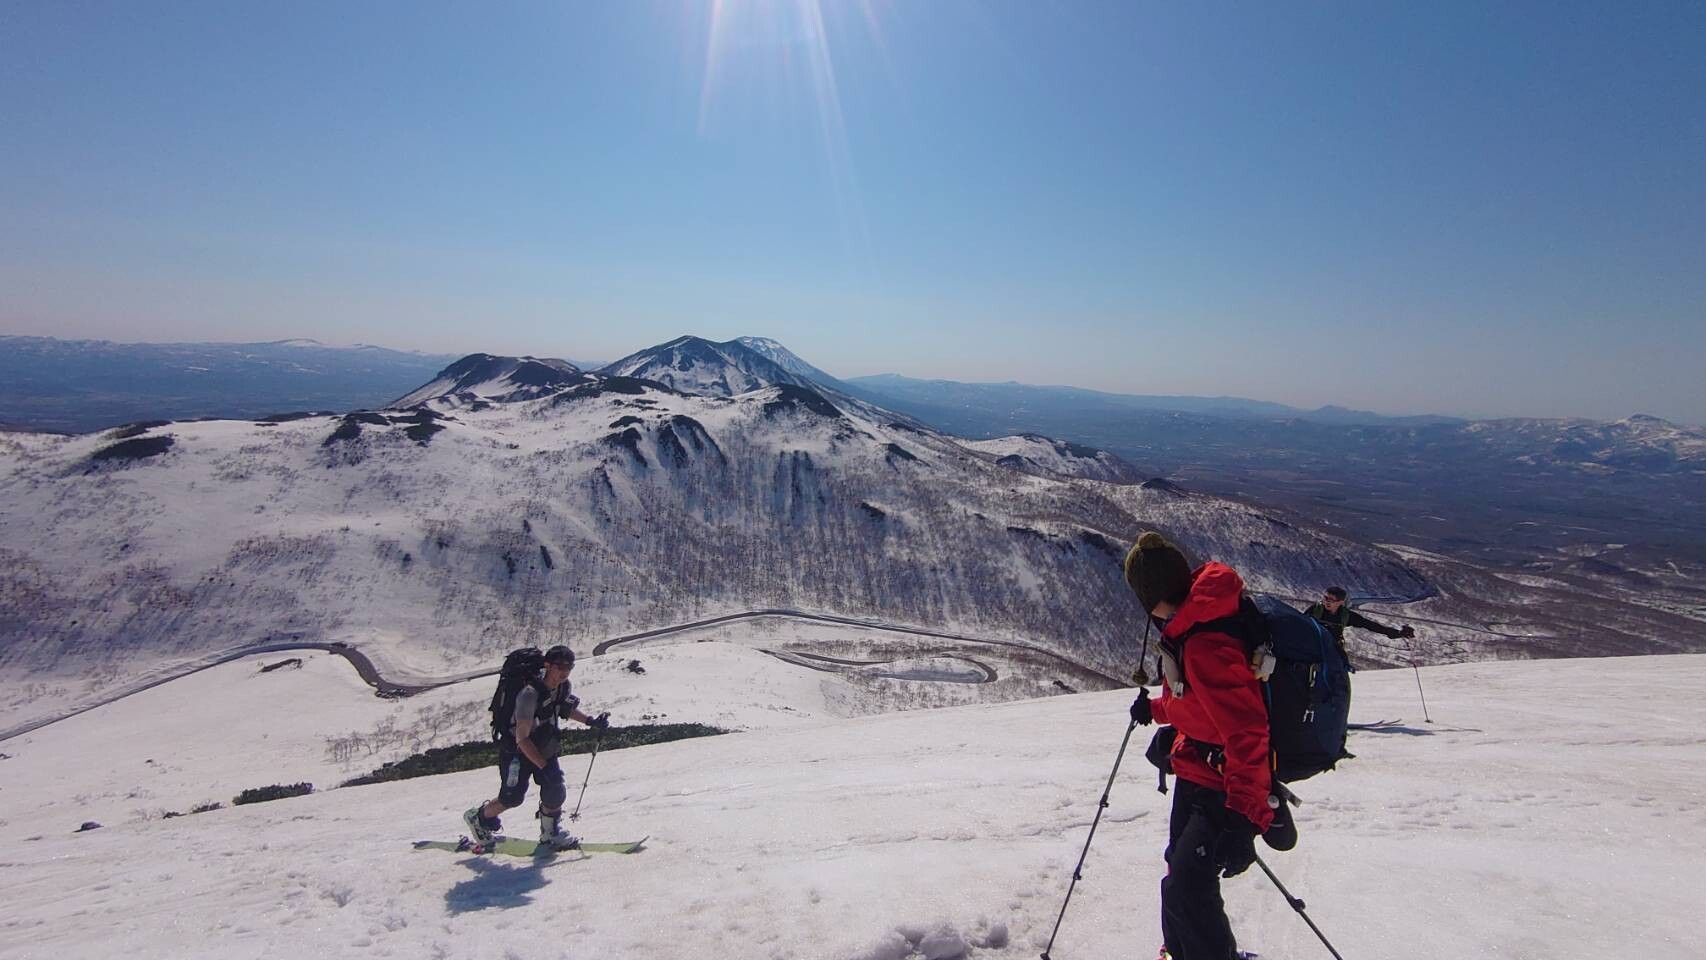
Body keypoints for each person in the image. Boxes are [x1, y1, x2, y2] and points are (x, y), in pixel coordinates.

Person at [1124, 531, 1273, 960]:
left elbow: (1247, 732)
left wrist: (1244, 816)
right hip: (1196, 770)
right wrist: (1156, 710)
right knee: (1180, 874)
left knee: (1185, 883)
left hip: (1222, 785)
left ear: (1150, 597)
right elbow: (1197, 700)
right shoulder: (1193, 624)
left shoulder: (1205, 642)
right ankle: (1181, 953)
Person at [463, 644, 609, 850]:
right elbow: (521, 738)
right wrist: (542, 765)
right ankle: (479, 818)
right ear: (548, 665)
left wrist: (590, 721)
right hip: (517, 753)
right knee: (511, 798)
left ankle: (550, 834)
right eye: (560, 667)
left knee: (555, 789)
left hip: (543, 746)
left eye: (569, 668)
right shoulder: (529, 694)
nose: (564, 672)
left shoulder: (561, 686)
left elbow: (563, 708)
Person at [1306, 586, 1415, 667]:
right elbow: (1299, 622)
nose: (1327, 602)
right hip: (1311, 647)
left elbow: (1369, 625)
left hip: (1332, 650)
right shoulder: (1315, 610)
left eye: (1331, 600)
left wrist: (1397, 633)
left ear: (1340, 602)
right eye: (1326, 598)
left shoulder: (1345, 616)